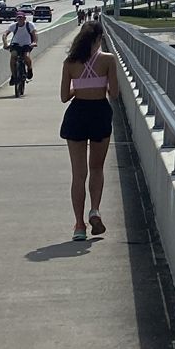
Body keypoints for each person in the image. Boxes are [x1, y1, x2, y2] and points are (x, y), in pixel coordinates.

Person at [60, 19, 115, 242]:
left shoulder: (70, 62)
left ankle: (79, 226)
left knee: (78, 174)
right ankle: (95, 210)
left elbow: (64, 97)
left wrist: (78, 88)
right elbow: (115, 93)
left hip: (77, 115)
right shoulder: (108, 60)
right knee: (97, 168)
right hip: (100, 113)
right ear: (100, 38)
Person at [4, 11, 37, 86]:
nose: (19, 19)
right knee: (13, 56)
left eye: (21, 17)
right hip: (16, 44)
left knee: (26, 56)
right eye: (18, 17)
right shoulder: (13, 26)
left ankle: (29, 69)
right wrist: (5, 43)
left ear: (24, 18)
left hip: (27, 44)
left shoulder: (29, 25)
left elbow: (34, 33)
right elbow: (5, 34)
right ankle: (13, 75)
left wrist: (34, 42)